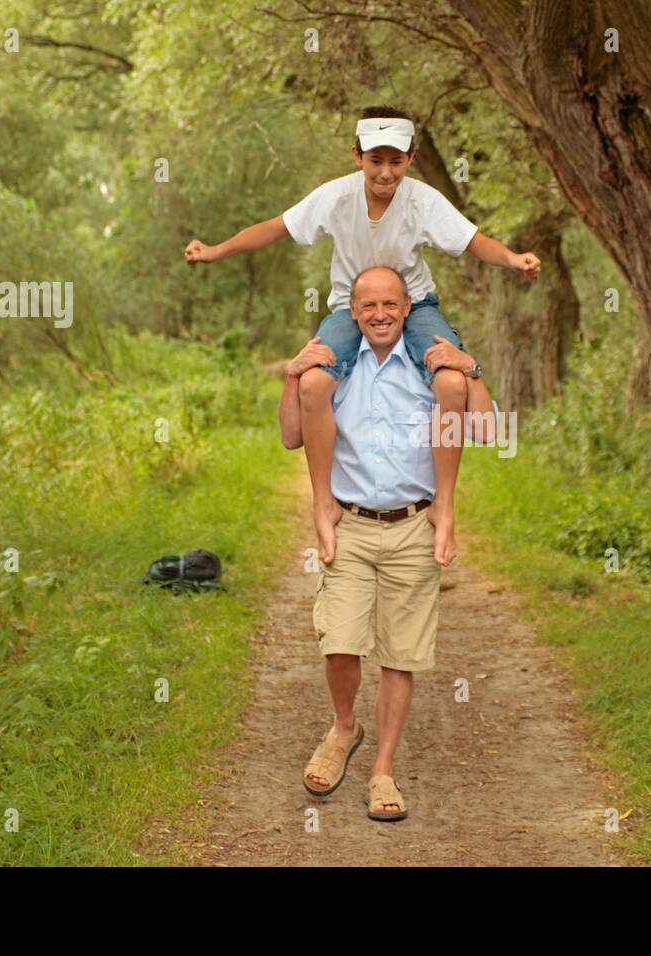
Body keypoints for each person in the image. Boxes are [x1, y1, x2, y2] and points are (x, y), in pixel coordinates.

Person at [186, 105, 537, 570]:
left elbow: (474, 241)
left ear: (411, 158)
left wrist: (512, 259)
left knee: (452, 383)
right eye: (376, 161)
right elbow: (275, 228)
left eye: (396, 161)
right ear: (357, 156)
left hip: (415, 305)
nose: (385, 172)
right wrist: (215, 251)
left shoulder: (423, 200)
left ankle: (444, 505)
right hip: (349, 310)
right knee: (314, 383)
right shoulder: (335, 197)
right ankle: (323, 501)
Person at [278, 265, 496, 822]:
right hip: (350, 525)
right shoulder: (336, 370)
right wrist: (291, 376)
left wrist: (469, 368)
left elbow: (489, 430)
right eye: (369, 306)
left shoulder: (431, 370)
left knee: (400, 656)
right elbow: (291, 435)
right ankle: (343, 727)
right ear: (353, 312)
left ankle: (383, 769)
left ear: (407, 309)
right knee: (340, 643)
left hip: (414, 526)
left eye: (390, 305)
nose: (380, 315)